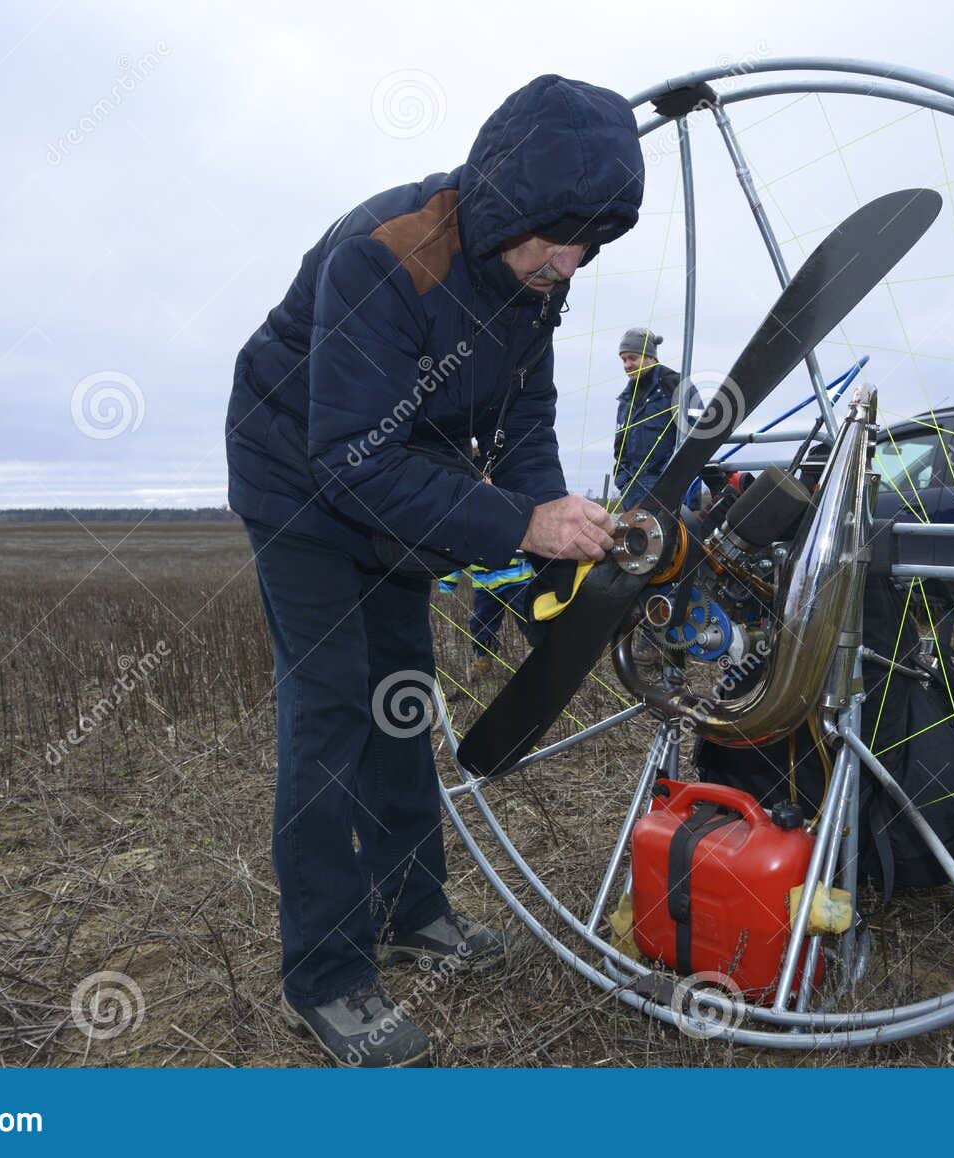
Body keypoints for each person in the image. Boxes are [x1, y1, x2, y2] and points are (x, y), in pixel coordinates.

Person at [224, 75, 642, 1067]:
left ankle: (418, 915)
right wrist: (516, 522)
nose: (574, 258)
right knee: (331, 713)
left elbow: (526, 421)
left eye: (592, 240)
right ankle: (326, 976)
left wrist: (557, 533)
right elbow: (349, 460)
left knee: (401, 699)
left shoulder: (537, 276)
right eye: (560, 234)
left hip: (401, 484)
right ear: (511, 200)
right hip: (301, 481)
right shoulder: (388, 255)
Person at [612, 327, 688, 508]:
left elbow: (695, 440)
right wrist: (622, 481)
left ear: (651, 357)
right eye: (623, 359)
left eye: (633, 358)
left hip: (670, 492)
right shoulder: (625, 400)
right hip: (632, 494)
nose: (627, 365)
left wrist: (670, 480)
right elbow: (620, 448)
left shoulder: (676, 386)